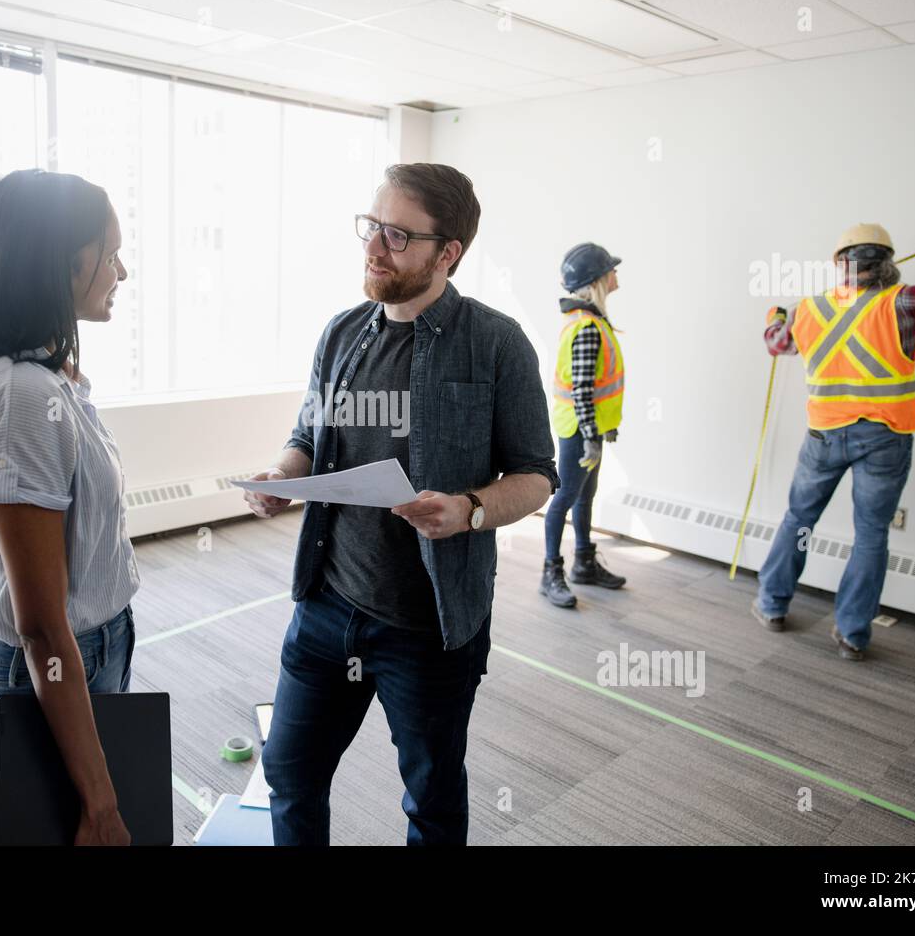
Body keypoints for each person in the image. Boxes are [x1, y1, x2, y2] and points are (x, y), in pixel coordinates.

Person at [243, 163, 558, 845]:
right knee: (288, 772)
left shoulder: (497, 343)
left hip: (428, 627)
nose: (373, 246)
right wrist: (281, 473)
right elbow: (308, 434)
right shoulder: (340, 333)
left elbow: (537, 475)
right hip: (327, 608)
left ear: (449, 253)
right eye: (371, 225)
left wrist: (469, 509)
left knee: (432, 801)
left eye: (396, 234)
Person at [0, 169, 140, 844]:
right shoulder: (22, 396)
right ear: (64, 260)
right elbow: (43, 627)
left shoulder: (47, 376)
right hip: (51, 664)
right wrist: (102, 802)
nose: (121, 270)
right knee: (78, 830)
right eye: (109, 254)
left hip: (92, 650)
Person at [754, 223, 915, 659]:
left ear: (839, 264)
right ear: (887, 261)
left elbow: (776, 344)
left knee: (798, 520)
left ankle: (772, 605)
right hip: (886, 439)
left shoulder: (809, 309)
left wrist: (777, 315)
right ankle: (852, 634)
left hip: (824, 437)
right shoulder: (904, 303)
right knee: (870, 535)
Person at [539, 243, 628, 609]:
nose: (617, 275)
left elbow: (597, 386)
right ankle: (551, 571)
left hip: (589, 428)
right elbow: (582, 391)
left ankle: (584, 562)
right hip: (578, 429)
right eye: (612, 270)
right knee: (565, 497)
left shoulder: (592, 320)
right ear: (597, 280)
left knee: (585, 496)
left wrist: (603, 428)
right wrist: (592, 434)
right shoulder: (587, 326)